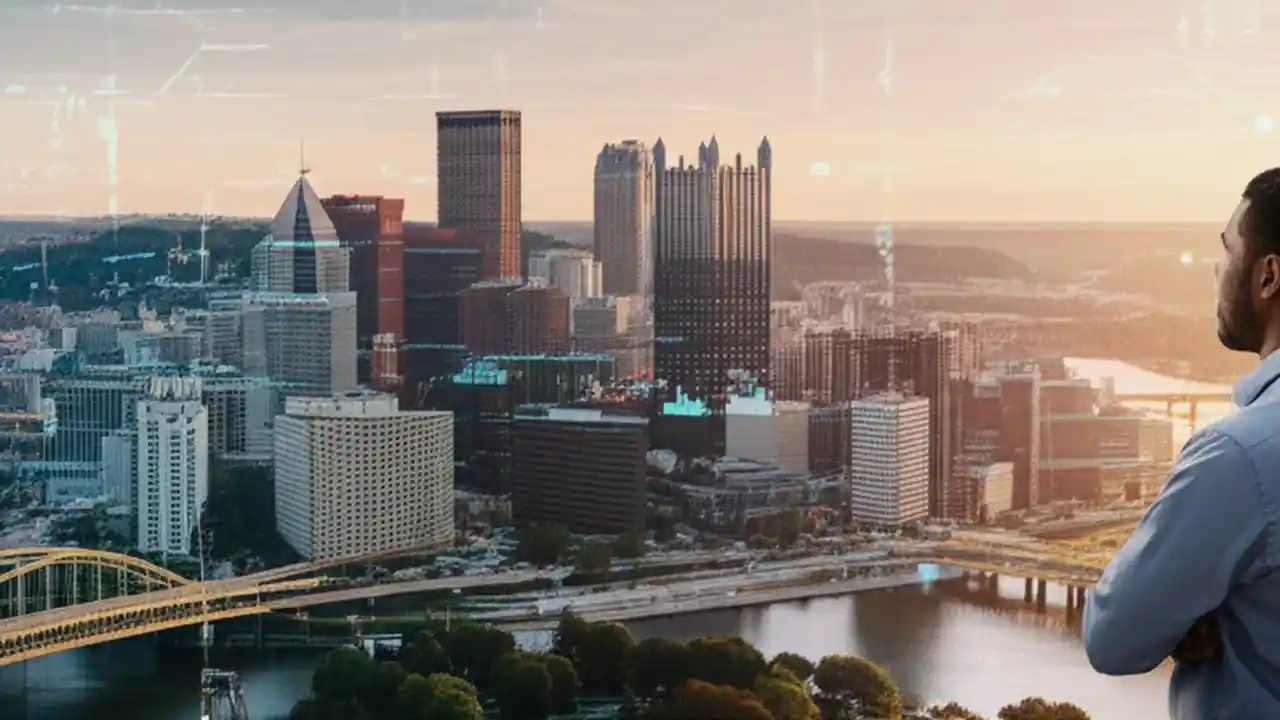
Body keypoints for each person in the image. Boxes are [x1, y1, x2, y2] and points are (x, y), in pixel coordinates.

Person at [1084, 167, 1280, 718]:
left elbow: (1113, 637)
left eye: (1228, 248)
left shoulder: (1238, 458)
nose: (1218, 268)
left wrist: (1194, 606)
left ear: (1269, 277)